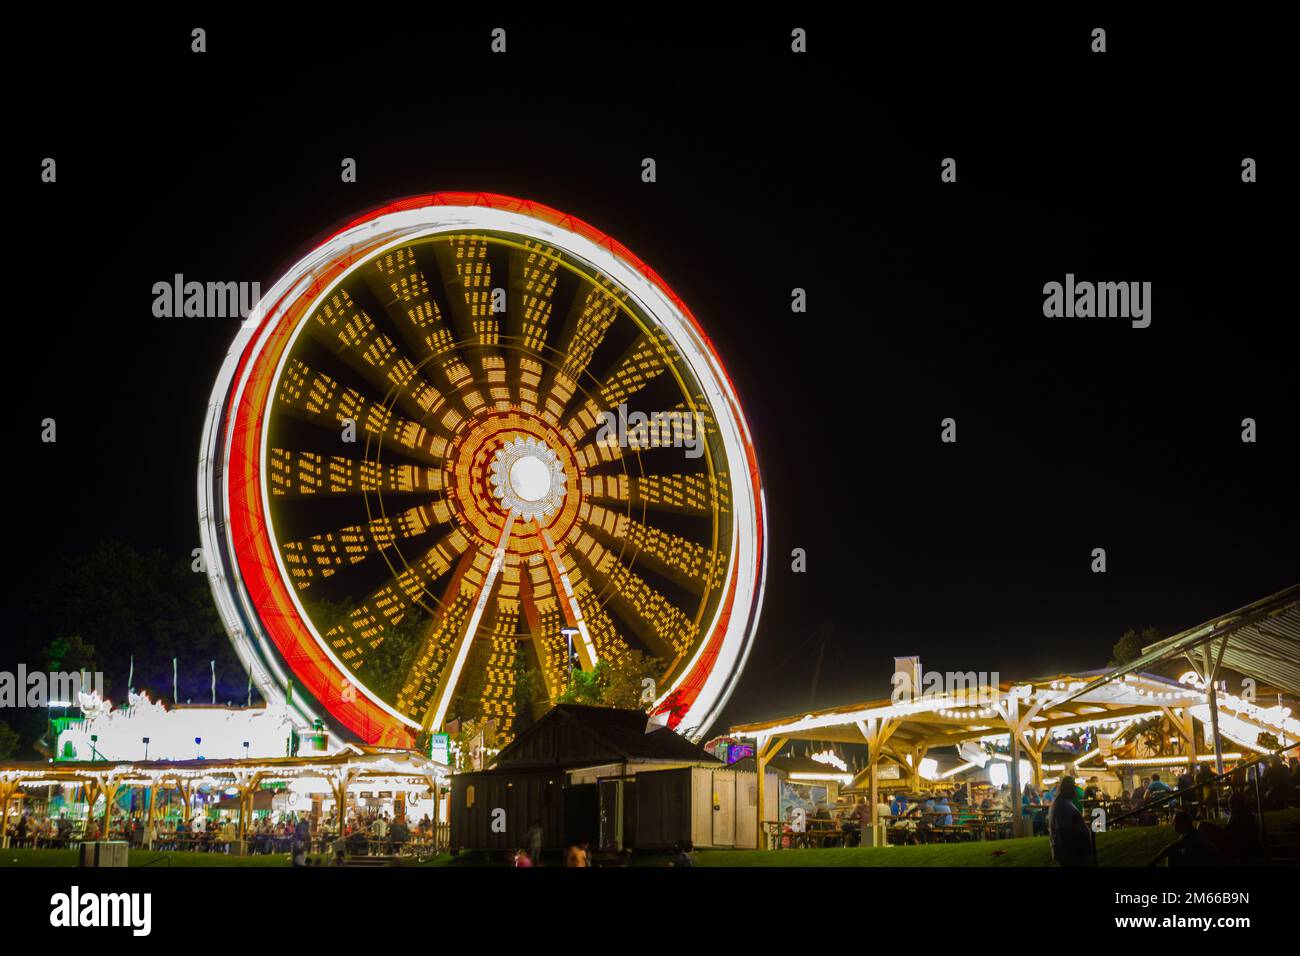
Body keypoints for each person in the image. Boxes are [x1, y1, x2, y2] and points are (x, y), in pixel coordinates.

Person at [1048, 776, 1093, 867]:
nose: (1075, 790)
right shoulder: (1061, 805)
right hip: (1070, 852)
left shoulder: (1064, 802)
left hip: (1072, 851)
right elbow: (1065, 830)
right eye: (1073, 787)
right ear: (1068, 789)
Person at [1149, 811, 1220, 867]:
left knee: (1172, 853)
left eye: (1175, 822)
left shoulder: (1192, 836)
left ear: (1183, 823)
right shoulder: (1191, 834)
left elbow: (1172, 847)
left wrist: (1155, 860)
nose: (1173, 824)